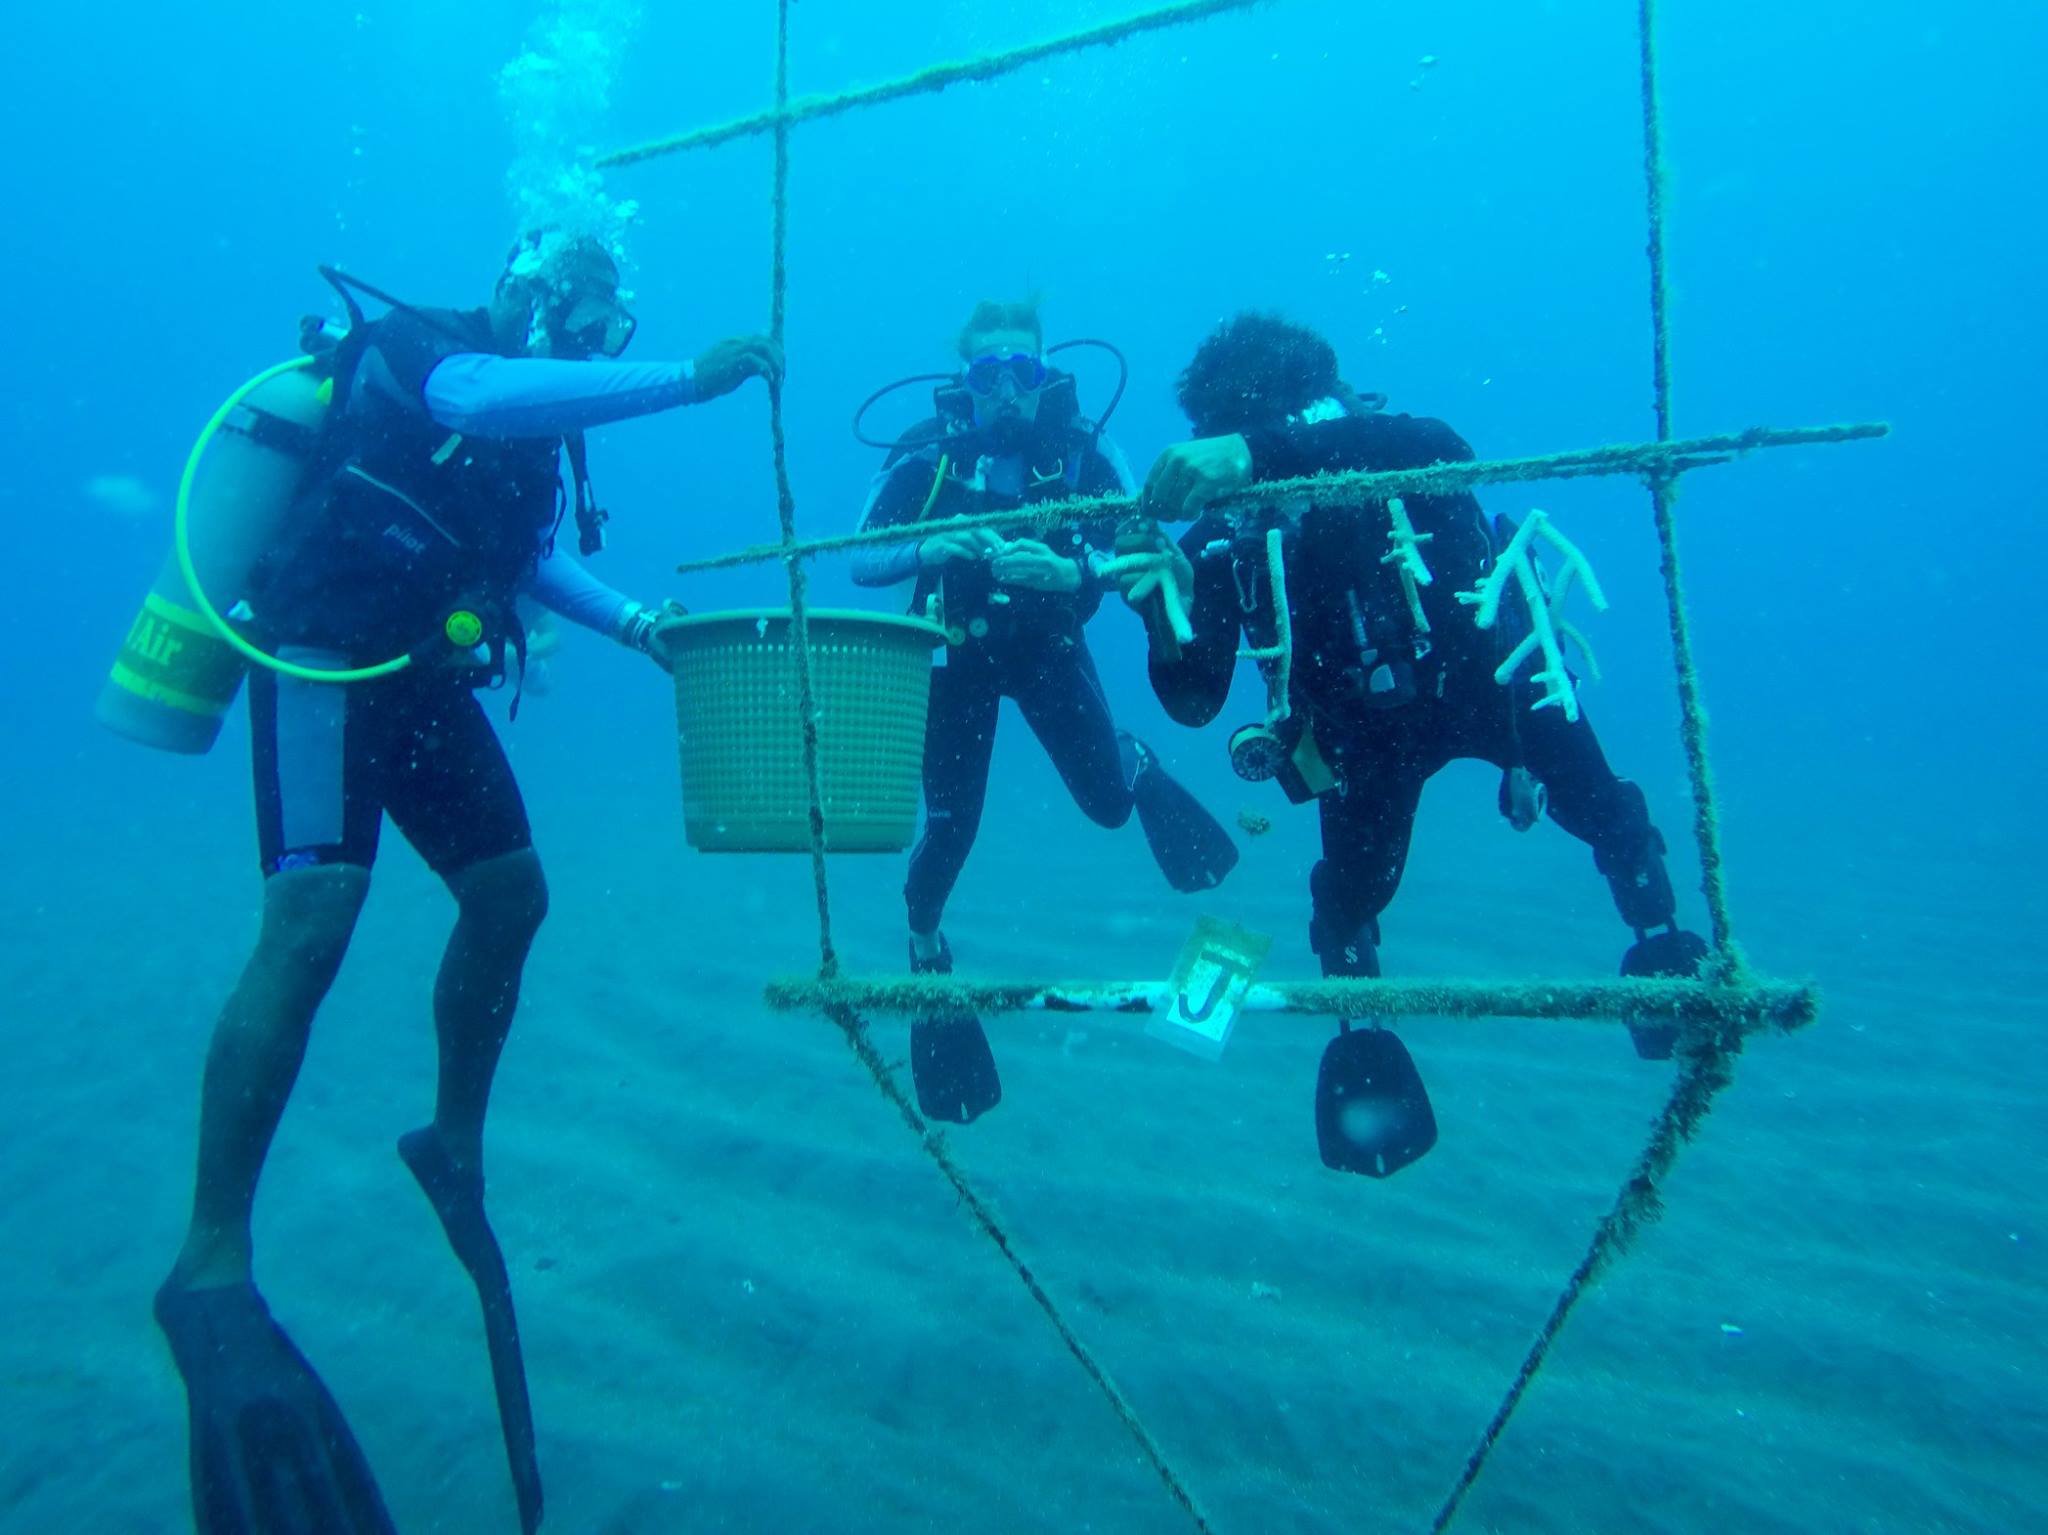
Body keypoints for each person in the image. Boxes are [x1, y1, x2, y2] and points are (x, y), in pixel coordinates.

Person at [152, 229, 782, 1535]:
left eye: (606, 331)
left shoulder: (533, 433)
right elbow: (478, 397)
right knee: (312, 920)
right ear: (525, 289)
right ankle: (211, 1252)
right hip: (325, 655)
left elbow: (524, 557)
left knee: (511, 893)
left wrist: (638, 624)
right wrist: (685, 378)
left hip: (421, 682)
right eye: (579, 318)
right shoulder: (420, 345)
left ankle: (449, 1138)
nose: (586, 343)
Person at [1120, 312, 1707, 1178]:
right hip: (1361, 734)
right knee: (1353, 893)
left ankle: (1662, 941)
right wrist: (1161, 614)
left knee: (1605, 811)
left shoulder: (1394, 448)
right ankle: (1362, 1029)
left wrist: (1251, 452)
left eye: (1296, 419)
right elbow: (1196, 700)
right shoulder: (1229, 528)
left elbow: (1439, 443)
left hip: (1494, 684)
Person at [851, 298, 1237, 1125]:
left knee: (1108, 805)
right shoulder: (926, 453)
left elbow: (1138, 545)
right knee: (948, 830)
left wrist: (1073, 573)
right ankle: (927, 948)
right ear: (965, 381)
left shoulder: (1085, 449)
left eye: (1021, 371)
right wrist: (927, 547)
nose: (1005, 391)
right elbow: (858, 557)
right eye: (987, 372)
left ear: (1044, 376)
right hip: (952, 655)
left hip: (1048, 647)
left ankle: (1133, 761)